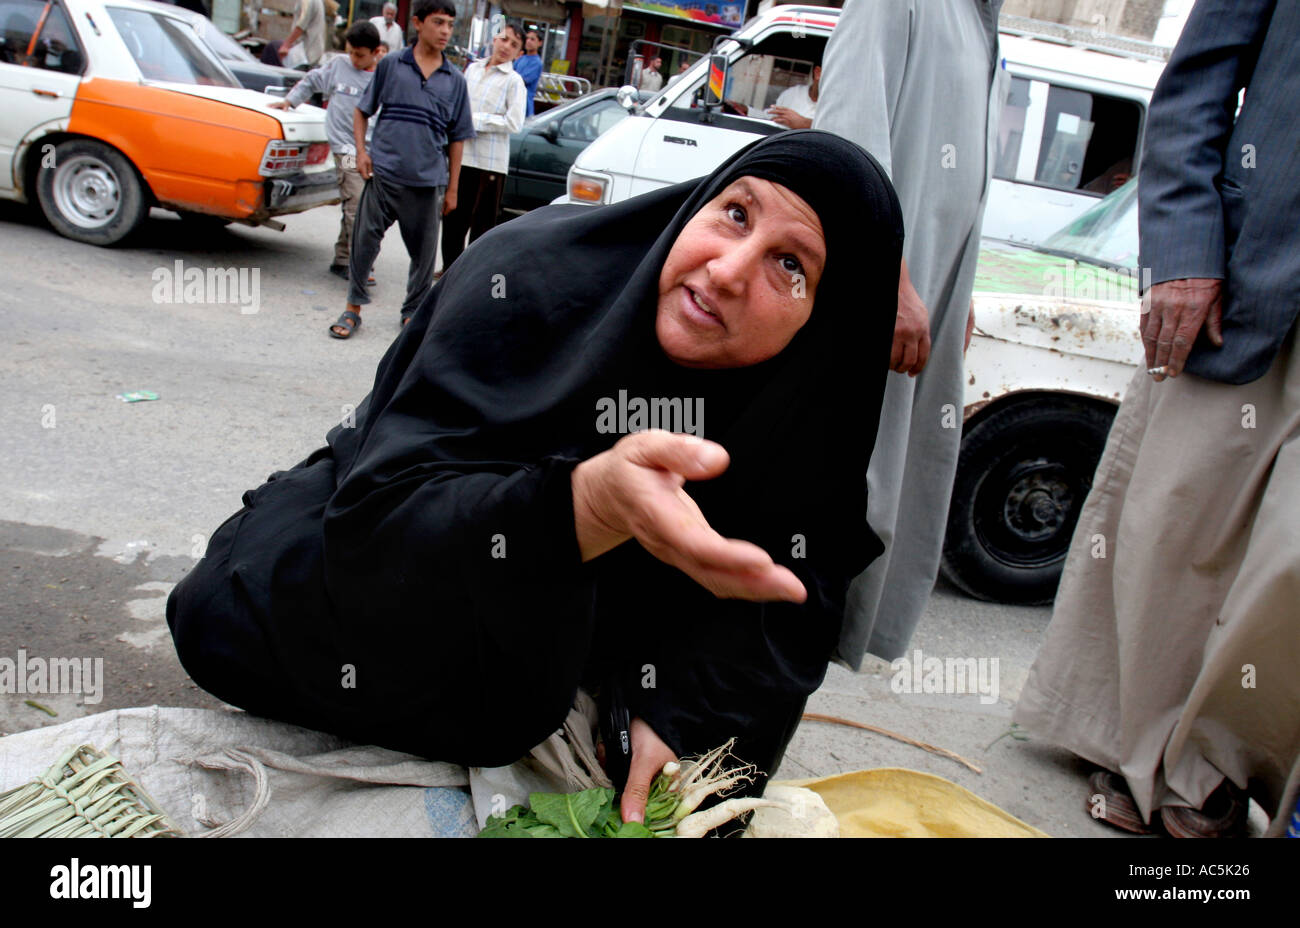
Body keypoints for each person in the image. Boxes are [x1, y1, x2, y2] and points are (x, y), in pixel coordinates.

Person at [166, 130, 903, 825]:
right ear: (699, 201)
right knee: (232, 617)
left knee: (702, 776)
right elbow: (380, 528)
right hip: (395, 540)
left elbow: (798, 592)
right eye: (735, 213)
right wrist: (582, 508)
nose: (730, 270)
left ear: (827, 324)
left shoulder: (802, 408)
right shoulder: (522, 279)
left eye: (791, 266)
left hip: (603, 630)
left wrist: (685, 717)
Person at [1014, 0, 1300, 839]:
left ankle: (1229, 766)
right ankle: (1160, 768)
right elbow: (1198, 81)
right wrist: (1183, 251)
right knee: (1173, 532)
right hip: (1250, 277)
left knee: (1288, 568)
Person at [813, 0, 1001, 666]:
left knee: (880, 503)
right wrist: (887, 280)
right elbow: (846, 142)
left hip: (918, 310)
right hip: (867, 306)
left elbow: (957, 186)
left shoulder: (982, 29)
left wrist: (955, 289)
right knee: (831, 503)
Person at [329, 0, 474, 338]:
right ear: (419, 24)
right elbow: (362, 110)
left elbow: (457, 139)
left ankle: (412, 314)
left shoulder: (454, 80)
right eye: (438, 23)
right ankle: (352, 308)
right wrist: (362, 153)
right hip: (384, 175)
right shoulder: (391, 65)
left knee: (423, 259)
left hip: (427, 183)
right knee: (363, 243)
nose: (445, 32)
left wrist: (452, 188)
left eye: (450, 25)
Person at [270, 21, 383, 282]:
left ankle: (343, 258)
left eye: (361, 55)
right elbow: (312, 80)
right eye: (352, 52)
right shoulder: (338, 66)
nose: (354, 59)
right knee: (355, 205)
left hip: (372, 151)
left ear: (376, 52)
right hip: (346, 149)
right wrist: (290, 101)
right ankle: (360, 263)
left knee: (365, 208)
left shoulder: (382, 77)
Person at [439, 25, 526, 272]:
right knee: (453, 218)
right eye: (504, 39)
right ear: (494, 39)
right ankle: (450, 269)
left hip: (489, 163)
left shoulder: (514, 81)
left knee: (482, 225)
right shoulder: (473, 69)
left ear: (519, 53)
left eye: (514, 45)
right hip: (461, 157)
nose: (506, 47)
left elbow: (514, 122)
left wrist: (474, 121)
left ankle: (472, 275)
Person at [279, 0, 327, 68]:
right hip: (313, 51)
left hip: (305, 53)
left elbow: (301, 25)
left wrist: (286, 45)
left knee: (272, 48)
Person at [513, 27, 543, 117]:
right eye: (527, 38)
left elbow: (521, 80)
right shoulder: (521, 58)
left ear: (540, 43)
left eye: (532, 39)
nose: (528, 41)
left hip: (524, 104)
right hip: (513, 100)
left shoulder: (537, 63)